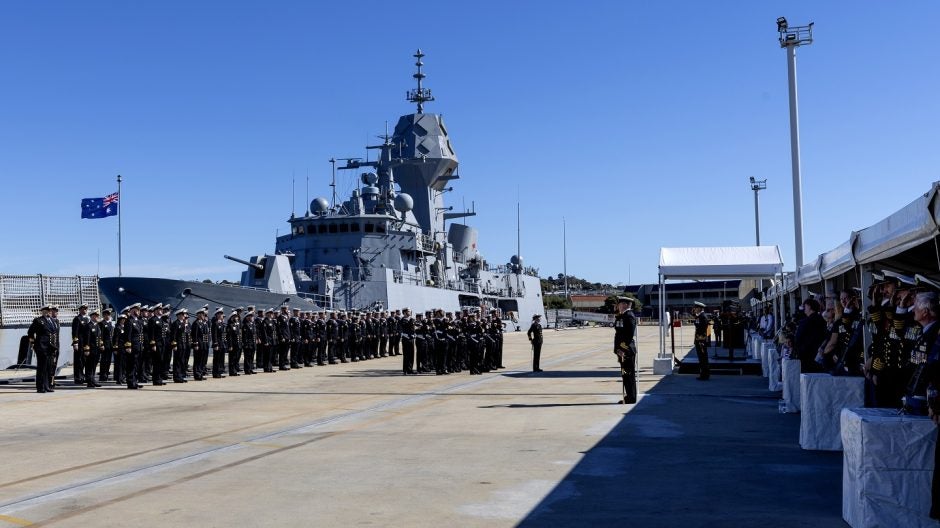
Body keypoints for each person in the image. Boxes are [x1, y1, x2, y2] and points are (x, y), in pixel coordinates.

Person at [27, 305, 56, 393]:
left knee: (48, 367)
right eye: (48, 310)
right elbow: (30, 332)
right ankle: (40, 387)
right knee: (42, 367)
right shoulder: (38, 321)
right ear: (43, 311)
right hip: (41, 347)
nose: (50, 312)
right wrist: (33, 343)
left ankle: (47, 386)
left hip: (50, 348)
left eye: (51, 310)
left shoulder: (52, 321)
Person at [614, 297, 638, 401]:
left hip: (627, 350)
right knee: (625, 374)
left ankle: (631, 397)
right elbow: (619, 333)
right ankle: (629, 396)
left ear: (625, 305)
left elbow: (629, 335)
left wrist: (622, 349)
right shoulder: (623, 316)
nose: (618, 306)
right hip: (623, 350)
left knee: (629, 374)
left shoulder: (629, 316)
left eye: (619, 304)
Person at [692, 301, 710, 380]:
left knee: (703, 358)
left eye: (695, 308)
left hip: (701, 341)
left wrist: (696, 324)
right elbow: (697, 320)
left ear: (699, 308)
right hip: (699, 340)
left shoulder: (703, 317)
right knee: (701, 358)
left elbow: (702, 328)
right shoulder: (700, 316)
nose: (694, 309)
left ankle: (704, 375)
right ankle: (703, 374)